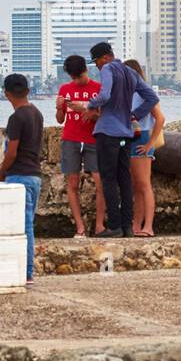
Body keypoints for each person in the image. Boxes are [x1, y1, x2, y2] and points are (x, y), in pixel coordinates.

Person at [68, 42, 159, 238]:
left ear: (104, 57)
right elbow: (152, 97)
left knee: (109, 179)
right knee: (124, 179)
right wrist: (134, 115)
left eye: (97, 62)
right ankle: (127, 226)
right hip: (125, 133)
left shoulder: (109, 68)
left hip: (108, 132)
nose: (98, 66)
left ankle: (115, 226)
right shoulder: (130, 72)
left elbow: (105, 94)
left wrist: (90, 105)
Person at [0, 74, 44, 285]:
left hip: (19, 176)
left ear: (7, 95)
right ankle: (23, 269)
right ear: (28, 91)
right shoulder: (37, 113)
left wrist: (1, 172)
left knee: (23, 228)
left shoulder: (16, 118)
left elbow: (12, 152)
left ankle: (27, 272)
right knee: (27, 224)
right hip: (35, 175)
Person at [55, 55, 105, 237]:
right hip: (71, 138)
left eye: (79, 76)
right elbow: (60, 120)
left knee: (100, 182)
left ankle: (99, 225)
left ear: (86, 70)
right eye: (73, 77)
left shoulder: (98, 89)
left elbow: (105, 118)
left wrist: (86, 111)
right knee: (72, 183)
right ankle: (80, 227)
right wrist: (60, 108)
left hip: (93, 139)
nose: (76, 81)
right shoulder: (65, 89)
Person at [124, 60, 166, 238]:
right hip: (129, 136)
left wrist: (150, 143)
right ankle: (136, 224)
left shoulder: (144, 92)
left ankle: (148, 226)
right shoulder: (128, 93)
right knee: (136, 186)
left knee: (144, 184)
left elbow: (160, 119)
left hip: (142, 136)